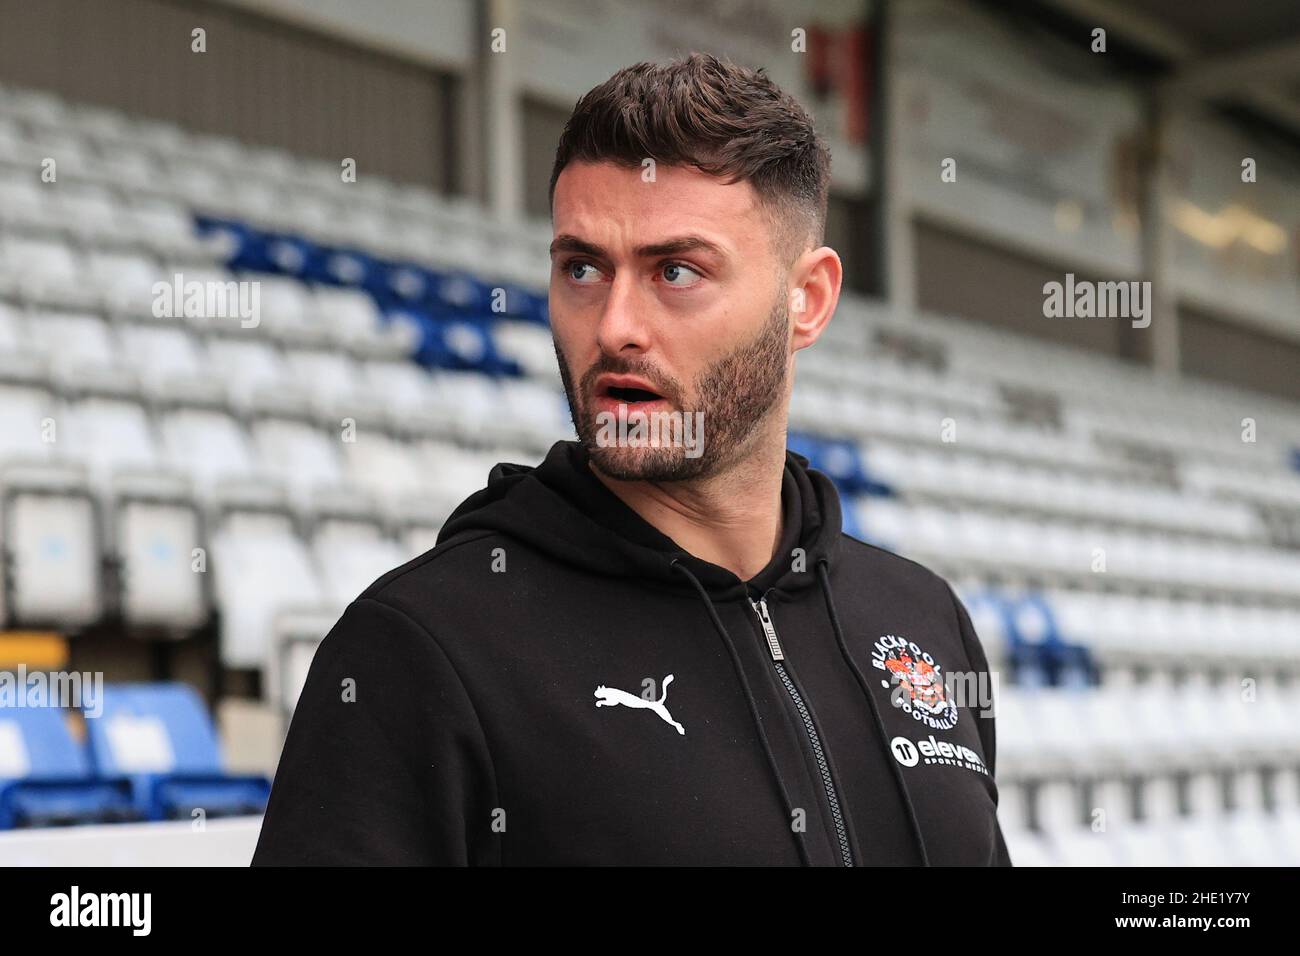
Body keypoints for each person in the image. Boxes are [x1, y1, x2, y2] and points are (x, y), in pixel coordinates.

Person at [252, 52, 1011, 866]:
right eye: (581, 268)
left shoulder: (919, 619)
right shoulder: (421, 650)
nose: (614, 325)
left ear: (809, 300)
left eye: (675, 271)